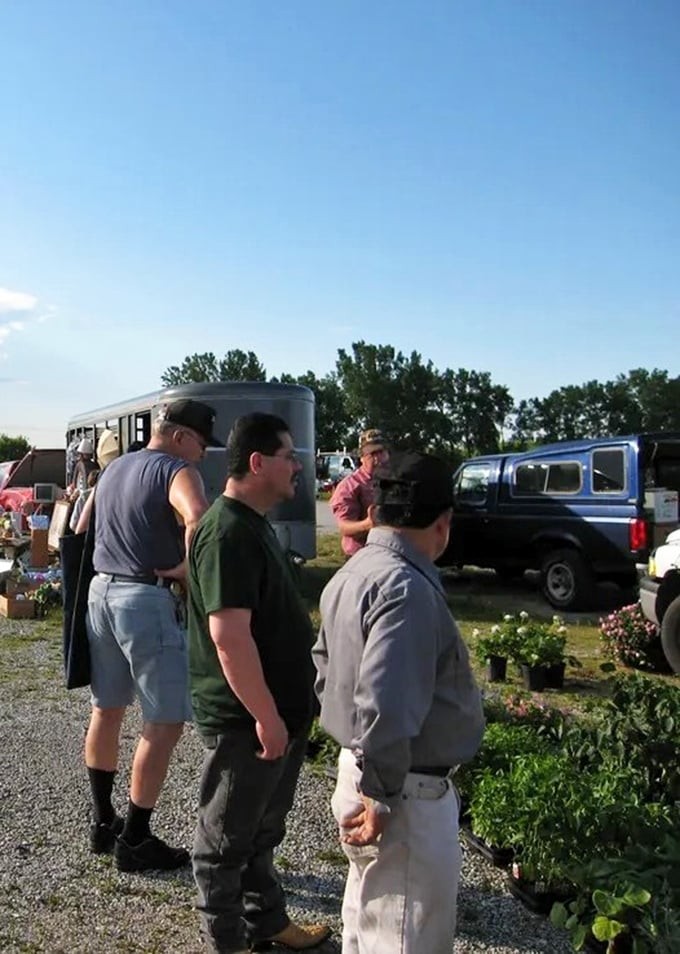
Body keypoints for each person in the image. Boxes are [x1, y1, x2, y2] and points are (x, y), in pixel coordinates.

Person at [314, 451, 485, 954]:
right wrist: (383, 792)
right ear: (443, 522)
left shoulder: (356, 570)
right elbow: (386, 702)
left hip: (365, 774)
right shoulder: (406, 587)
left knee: (369, 927)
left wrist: (365, 771)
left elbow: (323, 670)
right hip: (400, 793)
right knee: (405, 938)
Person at [187, 412, 331, 954]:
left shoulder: (254, 524)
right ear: (257, 462)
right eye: (289, 455)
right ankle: (230, 944)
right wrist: (266, 717)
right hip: (248, 722)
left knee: (261, 832)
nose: (298, 466)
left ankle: (267, 923)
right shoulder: (225, 532)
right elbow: (228, 637)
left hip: (278, 716)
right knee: (222, 846)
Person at [83, 398, 218, 872]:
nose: (202, 454)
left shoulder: (114, 469)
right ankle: (137, 837)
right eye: (201, 444)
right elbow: (199, 517)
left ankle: (103, 821)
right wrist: (186, 568)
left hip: (100, 593)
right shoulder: (176, 471)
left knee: (107, 708)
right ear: (181, 436)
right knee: (163, 724)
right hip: (145, 597)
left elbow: (86, 526)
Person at [330, 428, 388, 558]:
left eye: (382, 452)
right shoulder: (349, 486)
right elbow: (344, 527)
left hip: (387, 554)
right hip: (361, 556)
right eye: (372, 454)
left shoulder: (394, 480)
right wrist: (368, 524)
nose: (379, 458)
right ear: (362, 457)